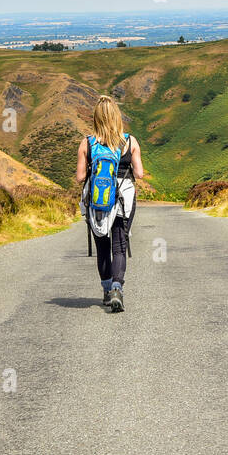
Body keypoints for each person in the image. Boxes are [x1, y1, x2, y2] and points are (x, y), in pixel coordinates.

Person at [76, 95, 145, 312]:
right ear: (117, 117)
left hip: (98, 200)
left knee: (102, 246)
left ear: (96, 118)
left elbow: (79, 178)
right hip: (123, 197)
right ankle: (117, 288)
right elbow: (140, 174)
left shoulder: (87, 143)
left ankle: (106, 291)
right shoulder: (130, 141)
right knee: (119, 244)